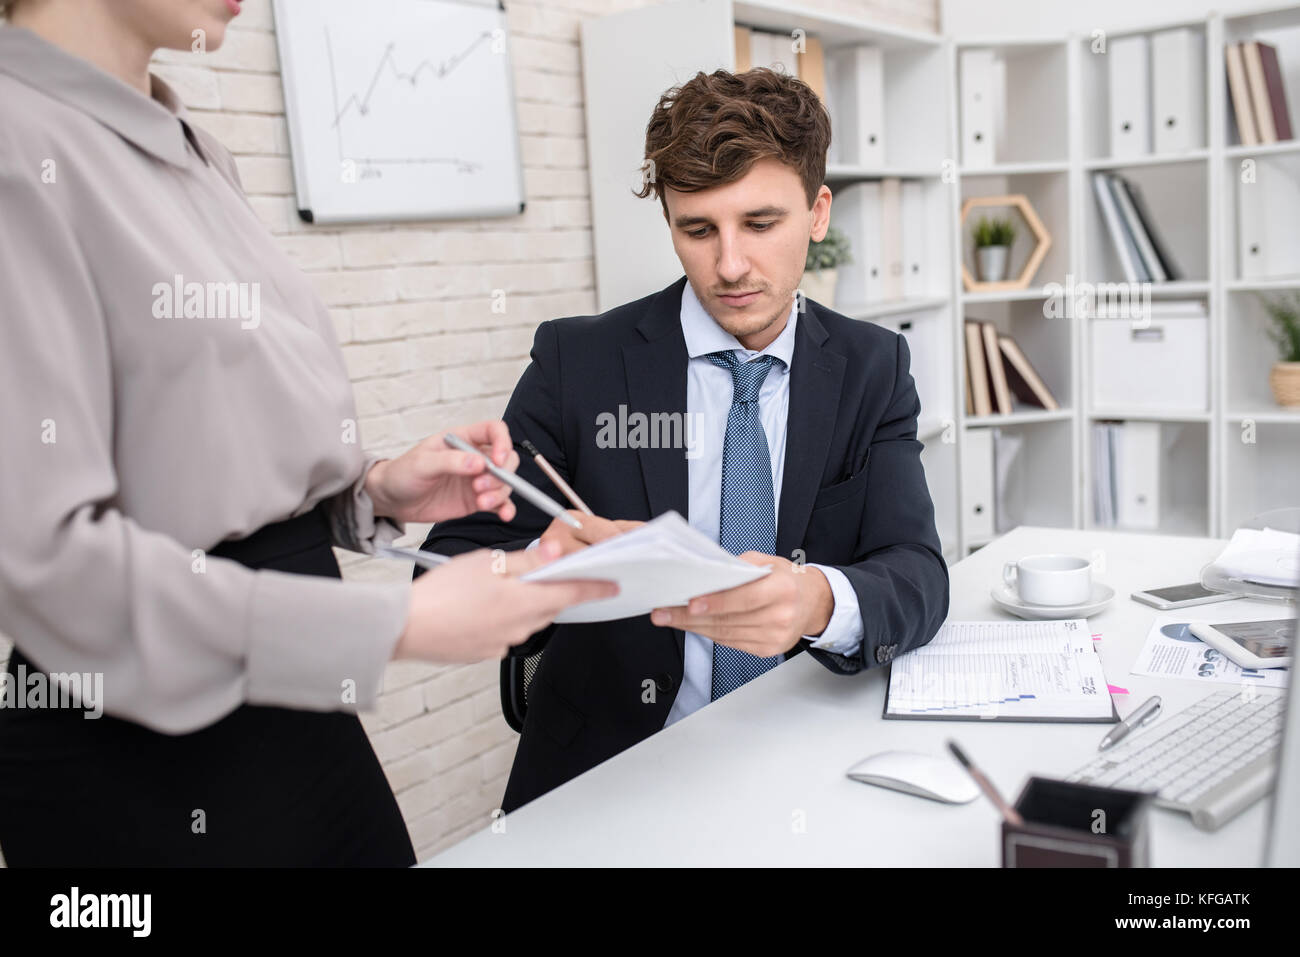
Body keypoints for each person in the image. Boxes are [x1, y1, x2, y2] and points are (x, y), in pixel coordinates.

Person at [0, 0, 615, 866]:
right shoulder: (18, 142)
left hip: (294, 716)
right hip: (132, 741)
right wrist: (393, 622)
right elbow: (52, 568)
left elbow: (199, 456)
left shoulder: (196, 154)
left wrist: (367, 489)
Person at [420, 68, 951, 812]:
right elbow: (444, 563)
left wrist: (815, 601)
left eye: (760, 224)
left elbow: (918, 574)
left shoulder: (872, 366)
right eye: (697, 230)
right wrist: (553, 567)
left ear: (819, 211)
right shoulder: (580, 362)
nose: (728, 265)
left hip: (801, 764)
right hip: (612, 780)